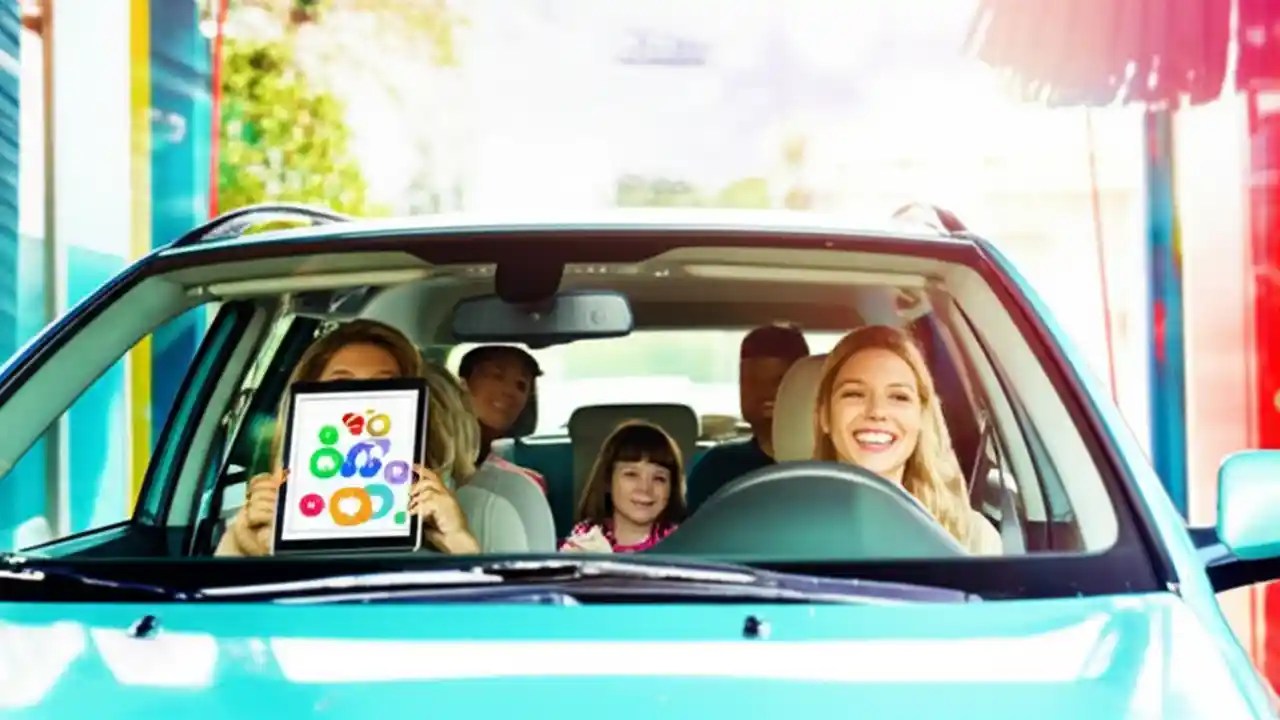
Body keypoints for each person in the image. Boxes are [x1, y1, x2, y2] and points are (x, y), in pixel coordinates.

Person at [216, 320, 485, 557]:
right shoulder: (271, 511)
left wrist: (459, 543)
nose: (363, 399)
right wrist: (245, 545)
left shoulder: (432, 517)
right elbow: (214, 612)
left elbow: (479, 611)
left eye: (384, 385)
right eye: (340, 383)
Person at [811, 324, 1002, 555]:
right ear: (825, 416)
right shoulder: (778, 529)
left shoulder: (971, 537)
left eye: (899, 397)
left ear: (922, 417)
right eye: (854, 393)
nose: (877, 411)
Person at [685, 323, 810, 510]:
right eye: (752, 382)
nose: (764, 393)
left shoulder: (832, 464)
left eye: (779, 382)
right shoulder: (716, 468)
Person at [560, 420, 687, 553]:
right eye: (631, 474)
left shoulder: (679, 544)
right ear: (608, 480)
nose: (645, 489)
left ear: (672, 488)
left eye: (659, 478)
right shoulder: (587, 536)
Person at [457, 344, 547, 492]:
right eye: (496, 376)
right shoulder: (433, 459)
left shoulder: (526, 484)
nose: (510, 391)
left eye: (521, 385)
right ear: (463, 383)